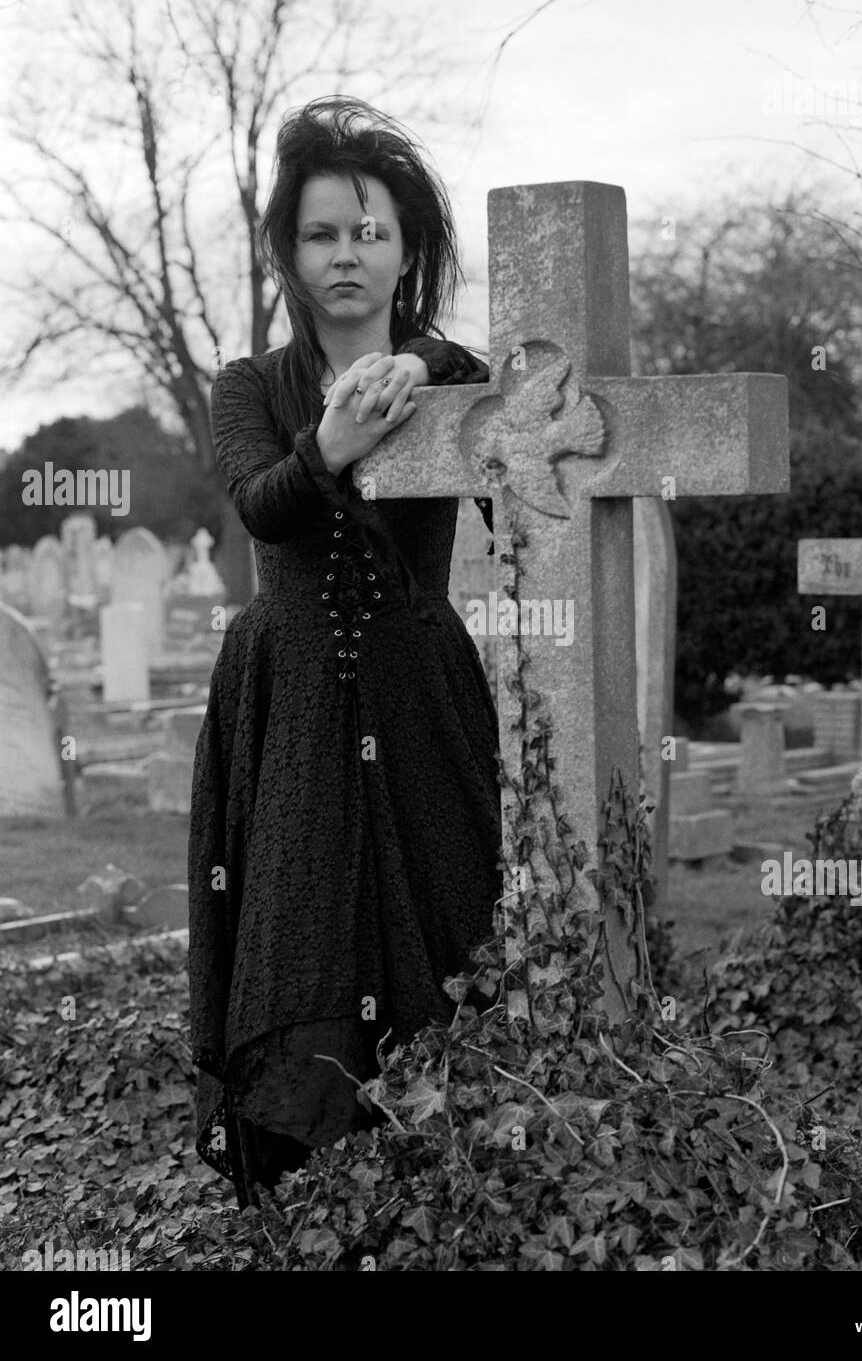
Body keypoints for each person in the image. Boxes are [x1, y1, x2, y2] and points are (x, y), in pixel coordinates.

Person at [188, 97, 502, 1209]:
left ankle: (445, 1163)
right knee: (299, 920)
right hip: (291, 690)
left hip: (417, 685)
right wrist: (331, 440)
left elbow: (503, 395)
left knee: (441, 908)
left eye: (369, 233)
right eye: (321, 233)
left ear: (408, 247)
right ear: (288, 250)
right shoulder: (249, 386)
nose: (345, 256)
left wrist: (416, 369)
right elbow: (260, 506)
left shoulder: (451, 370)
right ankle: (307, 1180)